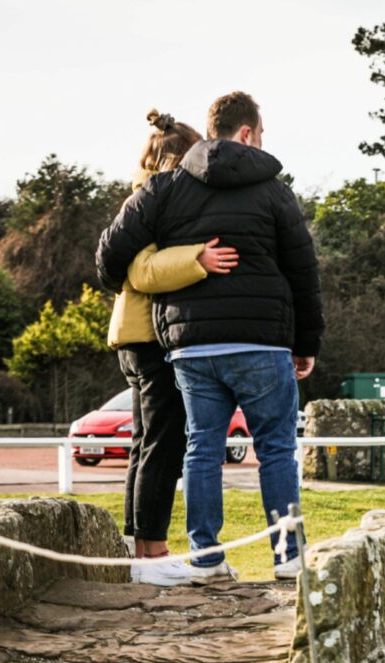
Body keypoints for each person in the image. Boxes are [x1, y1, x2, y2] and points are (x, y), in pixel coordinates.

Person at [97, 91, 322, 581]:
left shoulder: (164, 189)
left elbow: (108, 258)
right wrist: (307, 344)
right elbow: (303, 272)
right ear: (246, 133)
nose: (262, 144)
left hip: (191, 346)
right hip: (262, 341)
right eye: (261, 135)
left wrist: (151, 280)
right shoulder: (273, 190)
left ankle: (207, 559)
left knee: (201, 448)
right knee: (277, 448)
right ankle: (287, 559)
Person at [107, 109, 241, 587]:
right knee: (163, 444)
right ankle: (154, 554)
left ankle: (140, 550)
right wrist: (198, 258)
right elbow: (144, 272)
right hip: (148, 336)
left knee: (147, 444)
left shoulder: (145, 200)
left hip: (135, 334)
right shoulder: (150, 203)